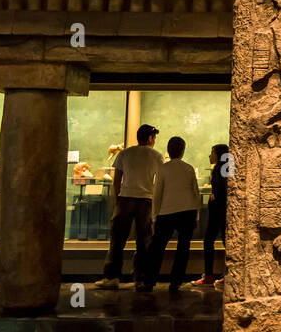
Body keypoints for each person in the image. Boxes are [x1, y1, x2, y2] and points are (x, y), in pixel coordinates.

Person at [97, 124, 163, 290]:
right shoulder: (156, 156)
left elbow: (117, 179)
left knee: (118, 240)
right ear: (150, 138)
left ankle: (112, 277)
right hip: (146, 201)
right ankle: (140, 279)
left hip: (125, 199)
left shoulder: (124, 154)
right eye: (154, 137)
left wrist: (117, 199)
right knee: (144, 241)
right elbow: (159, 182)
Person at [140, 135, 201, 293]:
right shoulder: (188, 168)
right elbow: (196, 193)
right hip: (188, 211)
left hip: (166, 212)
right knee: (183, 247)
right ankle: (175, 283)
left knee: (157, 248)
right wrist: (197, 215)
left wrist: (154, 217)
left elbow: (157, 193)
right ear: (182, 151)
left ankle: (149, 281)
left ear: (169, 150)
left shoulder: (163, 169)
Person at [187, 144, 229, 289]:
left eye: (212, 152)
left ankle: (209, 276)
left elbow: (222, 189)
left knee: (209, 241)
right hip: (222, 211)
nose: (209, 156)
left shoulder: (219, 168)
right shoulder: (226, 168)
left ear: (218, 154)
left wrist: (215, 196)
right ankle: (227, 274)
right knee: (226, 241)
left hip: (218, 212)